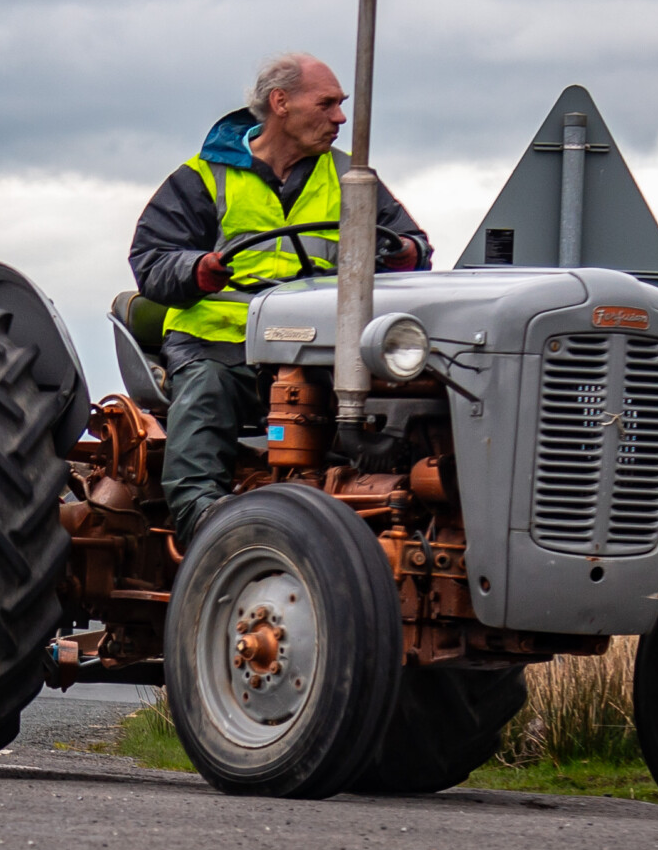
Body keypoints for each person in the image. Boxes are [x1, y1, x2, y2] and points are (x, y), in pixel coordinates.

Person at [129, 52, 431, 547]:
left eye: (342, 105)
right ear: (281, 103)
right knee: (208, 390)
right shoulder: (204, 176)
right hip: (222, 340)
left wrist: (402, 252)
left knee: (394, 401)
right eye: (328, 103)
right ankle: (203, 518)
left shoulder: (351, 178)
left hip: (319, 347)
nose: (339, 118)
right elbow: (151, 259)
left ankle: (385, 510)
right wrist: (196, 270)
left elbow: (413, 249)